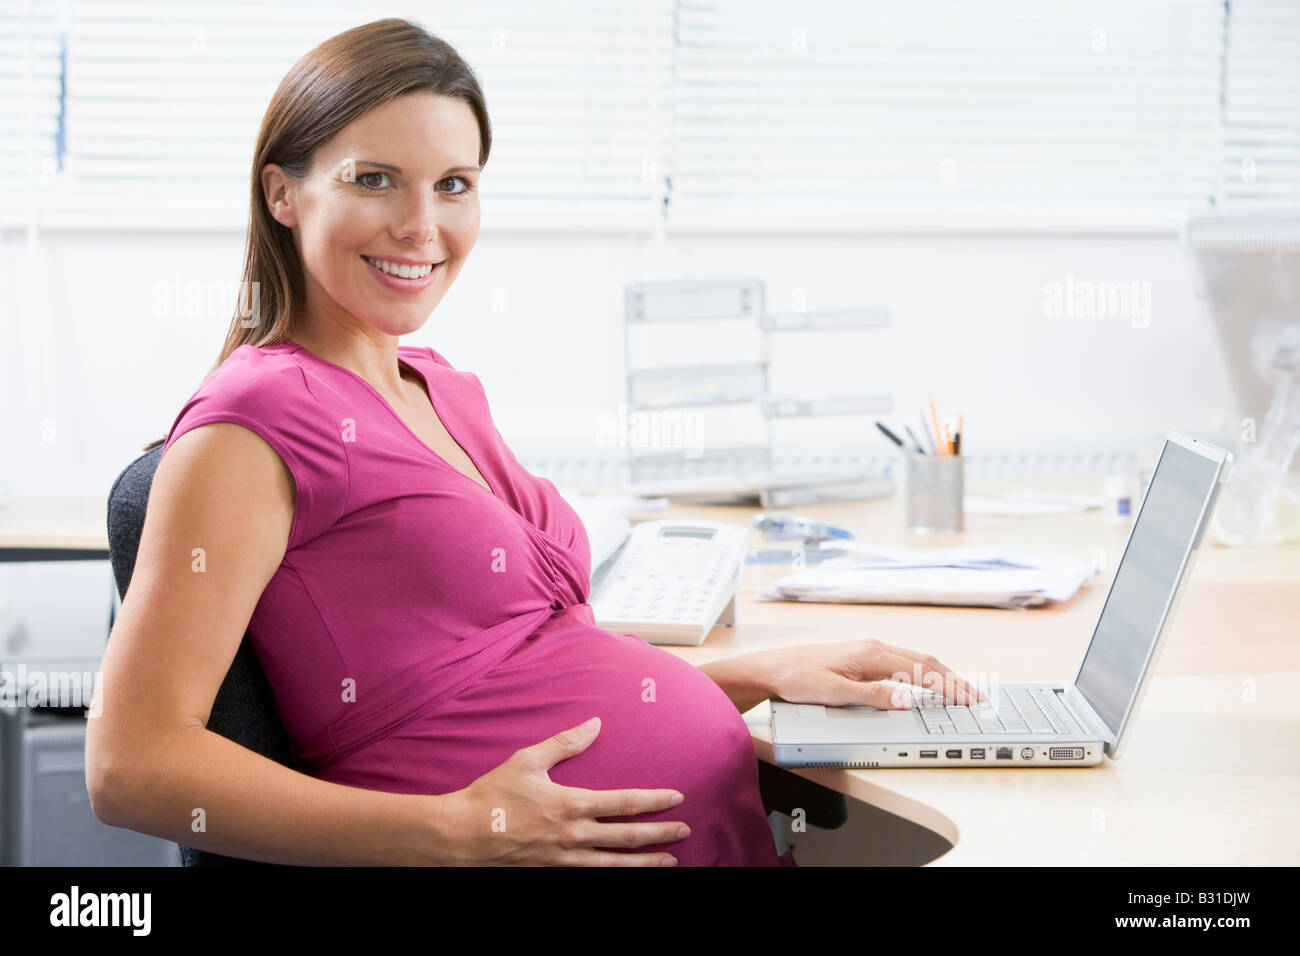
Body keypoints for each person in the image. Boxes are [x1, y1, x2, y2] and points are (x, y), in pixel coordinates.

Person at [85, 18, 981, 867]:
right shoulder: (253, 422)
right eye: (373, 179)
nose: (420, 225)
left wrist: (749, 673)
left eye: (454, 184)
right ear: (282, 192)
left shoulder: (437, 385)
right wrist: (458, 831)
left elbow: (513, 671)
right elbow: (132, 764)